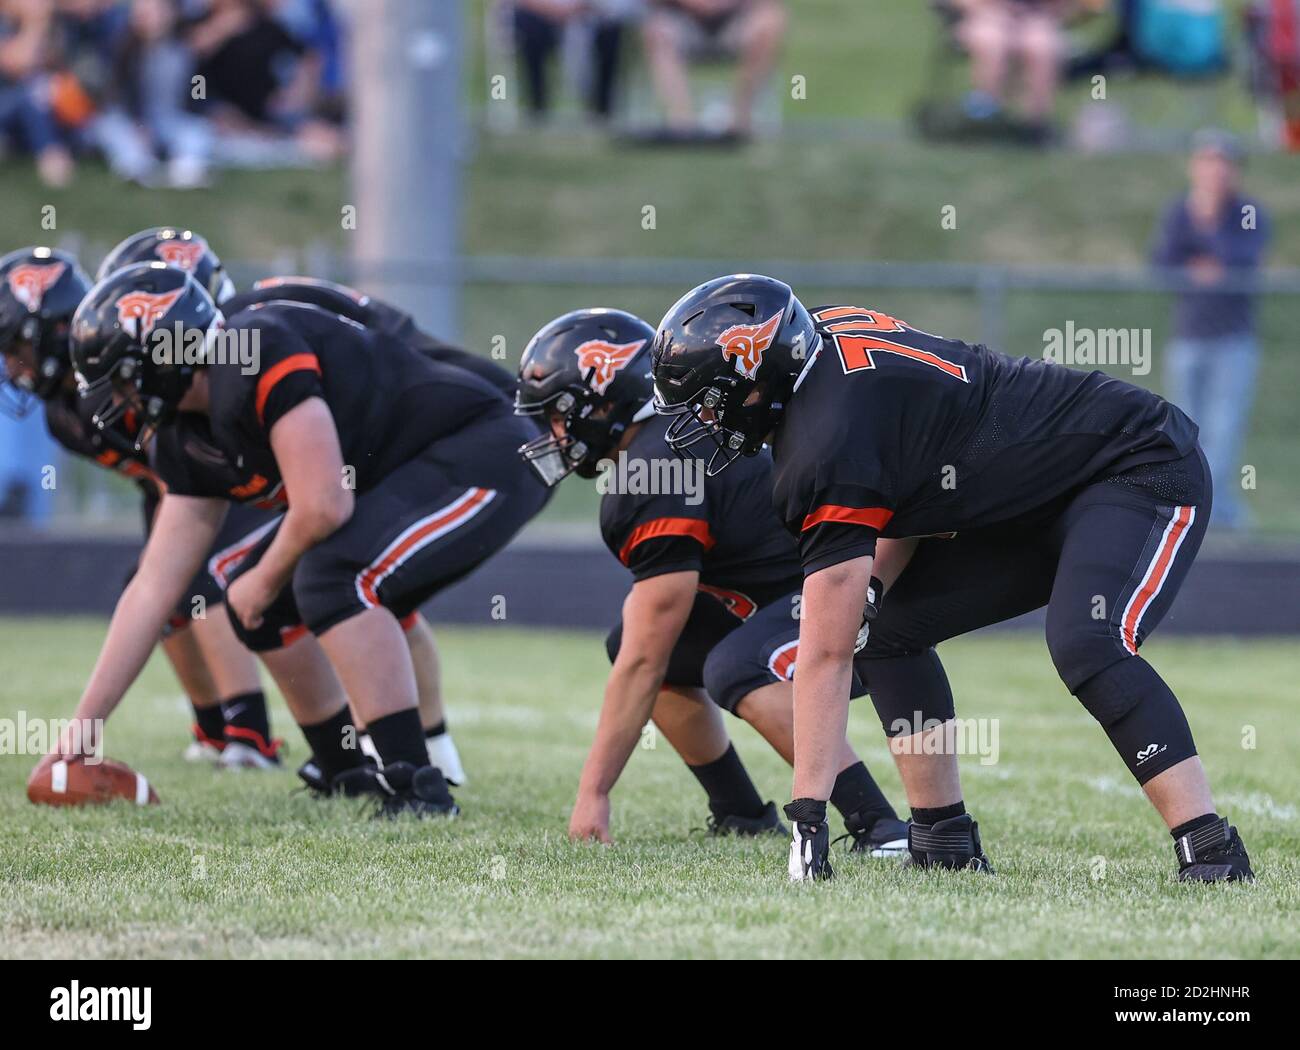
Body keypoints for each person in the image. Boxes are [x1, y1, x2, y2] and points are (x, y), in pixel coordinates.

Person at [651, 273, 1253, 884]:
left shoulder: (824, 443)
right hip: (1025, 499)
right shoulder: (822, 353)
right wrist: (874, 590)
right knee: (881, 630)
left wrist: (809, 814)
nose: (706, 417)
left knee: (1087, 641)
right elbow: (907, 475)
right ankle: (943, 840)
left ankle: (1210, 848)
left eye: (713, 398)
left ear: (762, 373)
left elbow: (824, 654)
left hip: (1132, 463)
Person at [46, 262, 548, 815]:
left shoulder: (251, 350)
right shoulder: (183, 436)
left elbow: (324, 505)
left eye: (123, 377)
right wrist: (83, 728)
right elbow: (154, 587)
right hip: (410, 472)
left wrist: (260, 580)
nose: (119, 399)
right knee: (256, 601)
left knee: (331, 577)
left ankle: (415, 788)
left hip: (488, 450)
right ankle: (347, 770)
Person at [514, 307, 908, 853]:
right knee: (642, 646)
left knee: (732, 664)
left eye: (558, 413)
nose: (553, 433)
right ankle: (740, 811)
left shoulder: (650, 472)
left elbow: (644, 658)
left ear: (602, 401)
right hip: (815, 576)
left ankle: (879, 826)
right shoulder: (666, 444)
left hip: (859, 580)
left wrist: (593, 791)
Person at [0, 245, 280, 769]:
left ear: (53, 329)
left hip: (228, 483)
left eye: (18, 345)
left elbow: (186, 457)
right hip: (180, 493)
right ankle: (216, 727)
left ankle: (251, 732)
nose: (14, 364)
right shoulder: (64, 414)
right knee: (154, 593)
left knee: (200, 579)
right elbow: (159, 478)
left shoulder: (109, 386)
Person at [1151, 129, 1271, 531]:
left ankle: (1218, 510)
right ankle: (1186, 509)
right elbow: (1164, 262)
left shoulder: (1247, 212)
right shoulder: (1178, 211)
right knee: (1185, 426)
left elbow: (1240, 259)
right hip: (1189, 336)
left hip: (1234, 338)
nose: (1215, 172)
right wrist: (1196, 258)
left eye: (1223, 164)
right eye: (1207, 162)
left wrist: (1209, 225)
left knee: (1224, 428)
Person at [643, 0, 786, 135]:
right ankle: (681, 122)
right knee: (656, 28)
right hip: (683, 19)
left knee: (770, 20)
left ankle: (740, 119)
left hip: (735, 19)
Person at [953, 0, 1066, 130]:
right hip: (983, 17)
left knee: (1043, 46)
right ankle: (985, 109)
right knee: (992, 40)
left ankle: (1035, 121)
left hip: (1033, 20)